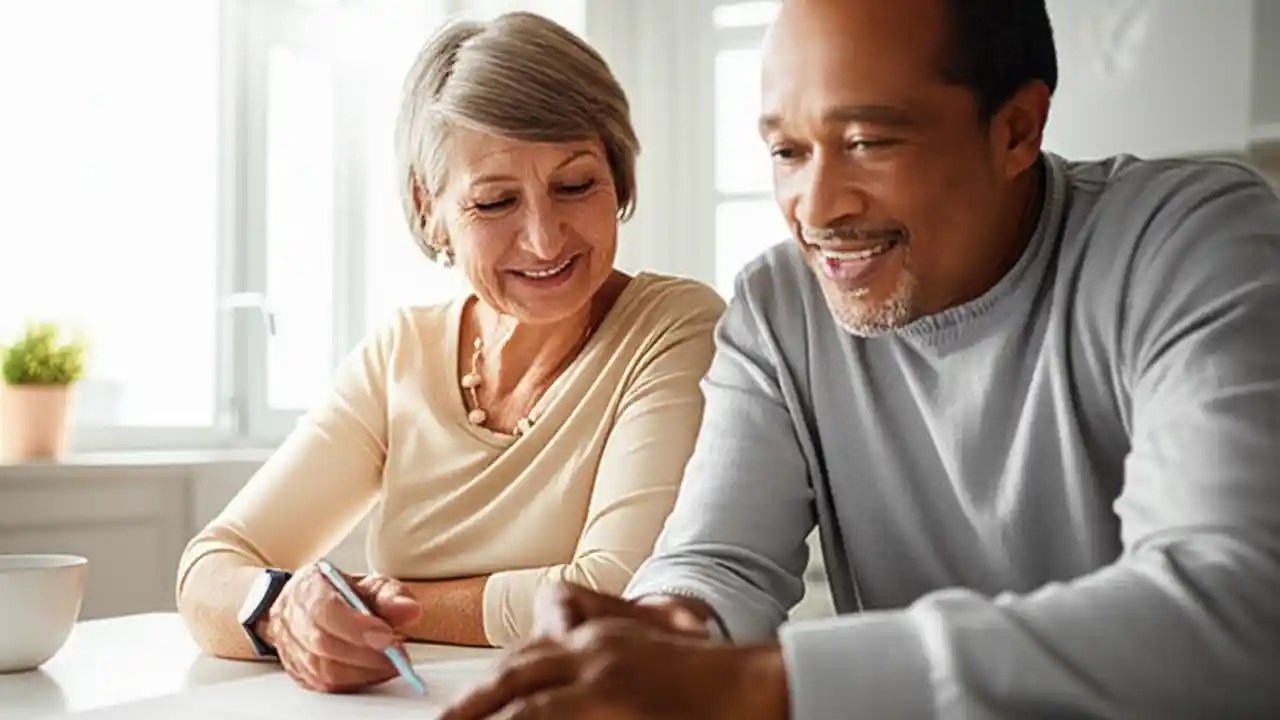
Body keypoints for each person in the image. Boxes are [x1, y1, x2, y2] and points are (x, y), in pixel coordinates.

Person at [441, 0, 1280, 717]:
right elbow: (718, 562)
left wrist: (769, 684)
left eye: (870, 142)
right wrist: (669, 628)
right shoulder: (779, 304)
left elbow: (1235, 608)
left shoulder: (1191, 240)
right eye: (787, 152)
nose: (818, 208)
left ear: (1018, 127)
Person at [174, 12, 724, 694]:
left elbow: (613, 591)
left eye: (576, 186)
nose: (546, 239)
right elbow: (211, 566)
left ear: (618, 177)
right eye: (494, 202)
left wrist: (376, 604)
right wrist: (282, 611)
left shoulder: (674, 327)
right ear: (427, 206)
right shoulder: (401, 353)